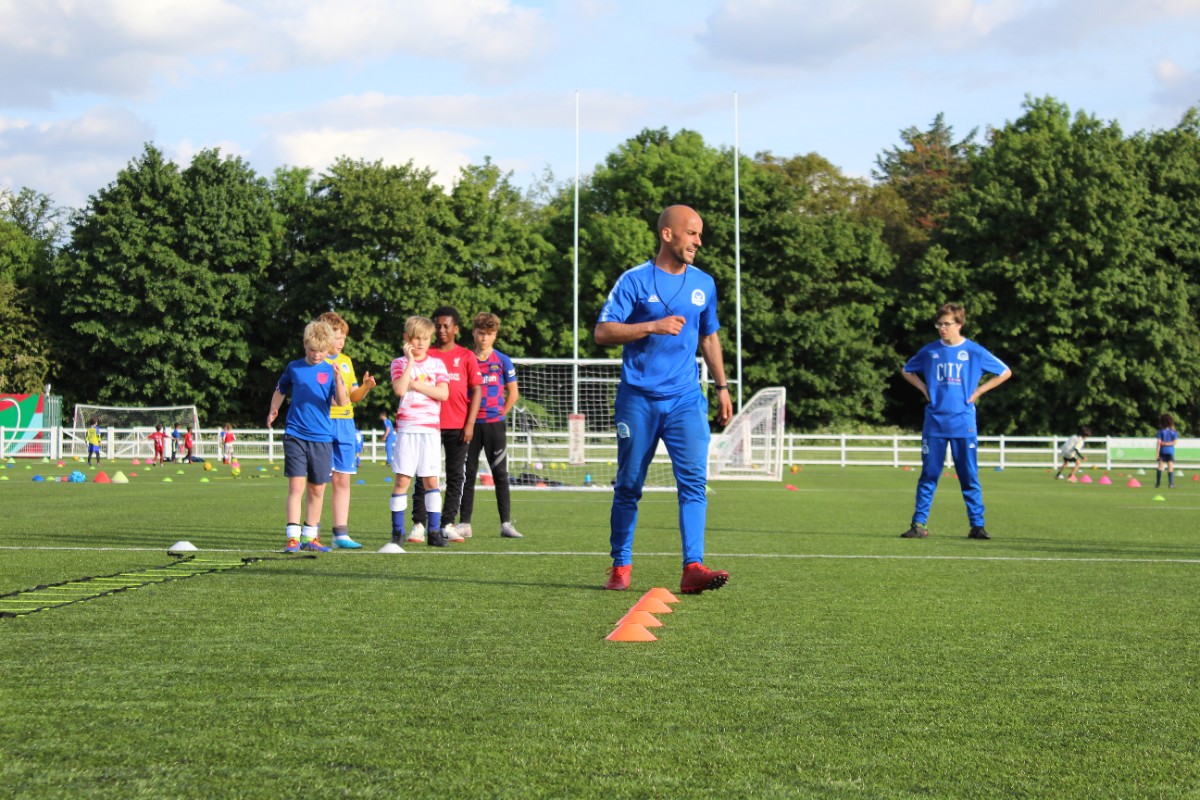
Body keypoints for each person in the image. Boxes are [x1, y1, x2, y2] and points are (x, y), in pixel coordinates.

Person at [594, 204, 733, 595]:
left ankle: (693, 567)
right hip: (637, 399)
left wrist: (722, 387)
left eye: (700, 234)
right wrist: (651, 326)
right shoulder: (634, 281)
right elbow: (603, 332)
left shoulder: (704, 283)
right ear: (668, 234)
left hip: (687, 399)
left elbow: (709, 337)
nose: (699, 241)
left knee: (694, 483)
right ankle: (620, 566)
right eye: (692, 233)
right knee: (629, 485)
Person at [901, 302, 1012, 540]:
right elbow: (907, 370)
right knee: (929, 474)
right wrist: (923, 388)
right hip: (935, 424)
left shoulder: (974, 351)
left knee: (968, 475)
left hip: (964, 423)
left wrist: (979, 392)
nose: (942, 328)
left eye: (947, 324)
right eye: (939, 324)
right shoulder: (930, 351)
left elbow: (1005, 372)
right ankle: (919, 524)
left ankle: (977, 526)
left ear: (959, 325)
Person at [267, 319, 350, 553]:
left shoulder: (331, 369)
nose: (317, 355)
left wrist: (337, 379)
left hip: (322, 437)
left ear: (329, 348)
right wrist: (274, 409)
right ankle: (293, 537)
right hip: (295, 434)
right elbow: (280, 390)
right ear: (305, 345)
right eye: (313, 350)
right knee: (296, 486)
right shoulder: (294, 367)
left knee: (318, 488)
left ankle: (310, 537)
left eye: (322, 351)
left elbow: (342, 402)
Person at [412, 306, 482, 543]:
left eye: (446, 325)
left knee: (455, 477)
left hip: (458, 426)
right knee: (424, 475)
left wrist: (470, 423)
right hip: (428, 425)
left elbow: (476, 389)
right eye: (438, 325)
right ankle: (419, 525)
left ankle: (447, 523)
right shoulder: (426, 355)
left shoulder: (466, 356)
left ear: (456, 328)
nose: (442, 330)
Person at [388, 316, 451, 548]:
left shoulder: (437, 365)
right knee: (403, 480)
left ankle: (434, 532)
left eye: (425, 338)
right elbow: (399, 389)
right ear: (407, 339)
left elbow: (443, 394)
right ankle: (397, 531)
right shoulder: (398, 363)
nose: (422, 343)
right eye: (417, 338)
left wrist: (417, 385)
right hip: (407, 429)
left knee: (431, 480)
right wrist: (410, 363)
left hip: (430, 431)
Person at [460, 311, 523, 539]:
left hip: (495, 426)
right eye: (480, 333)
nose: (484, 338)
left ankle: (506, 523)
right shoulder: (466, 359)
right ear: (474, 333)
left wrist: (501, 412)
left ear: (495, 335)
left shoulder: (503, 361)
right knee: (468, 473)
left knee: (500, 474)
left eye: (489, 334)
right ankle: (464, 523)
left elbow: (513, 393)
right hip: (470, 425)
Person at [318, 311, 378, 549]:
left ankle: (340, 533)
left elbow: (353, 397)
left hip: (345, 425)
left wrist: (365, 387)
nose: (341, 341)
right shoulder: (317, 362)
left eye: (343, 337)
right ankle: (312, 530)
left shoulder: (346, 361)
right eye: (336, 336)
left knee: (343, 479)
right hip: (322, 423)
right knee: (320, 480)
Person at [1156, 413, 1179, 489]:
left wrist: (1157, 454)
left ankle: (1158, 483)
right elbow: (1175, 442)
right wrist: (1168, 443)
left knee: (1160, 466)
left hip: (1162, 451)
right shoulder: (1173, 431)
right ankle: (1171, 483)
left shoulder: (1160, 431)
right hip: (1170, 451)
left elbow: (1159, 443)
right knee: (1170, 467)